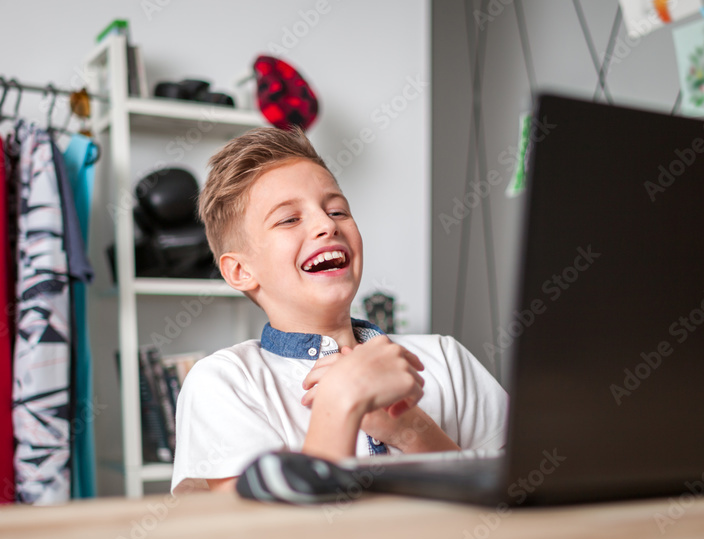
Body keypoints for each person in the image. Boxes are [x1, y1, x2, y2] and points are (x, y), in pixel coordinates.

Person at [171, 127, 507, 493]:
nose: (326, 224)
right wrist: (341, 402)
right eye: (289, 219)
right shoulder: (225, 383)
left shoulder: (447, 358)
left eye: (337, 210)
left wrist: (409, 428)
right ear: (240, 271)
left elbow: (521, 507)